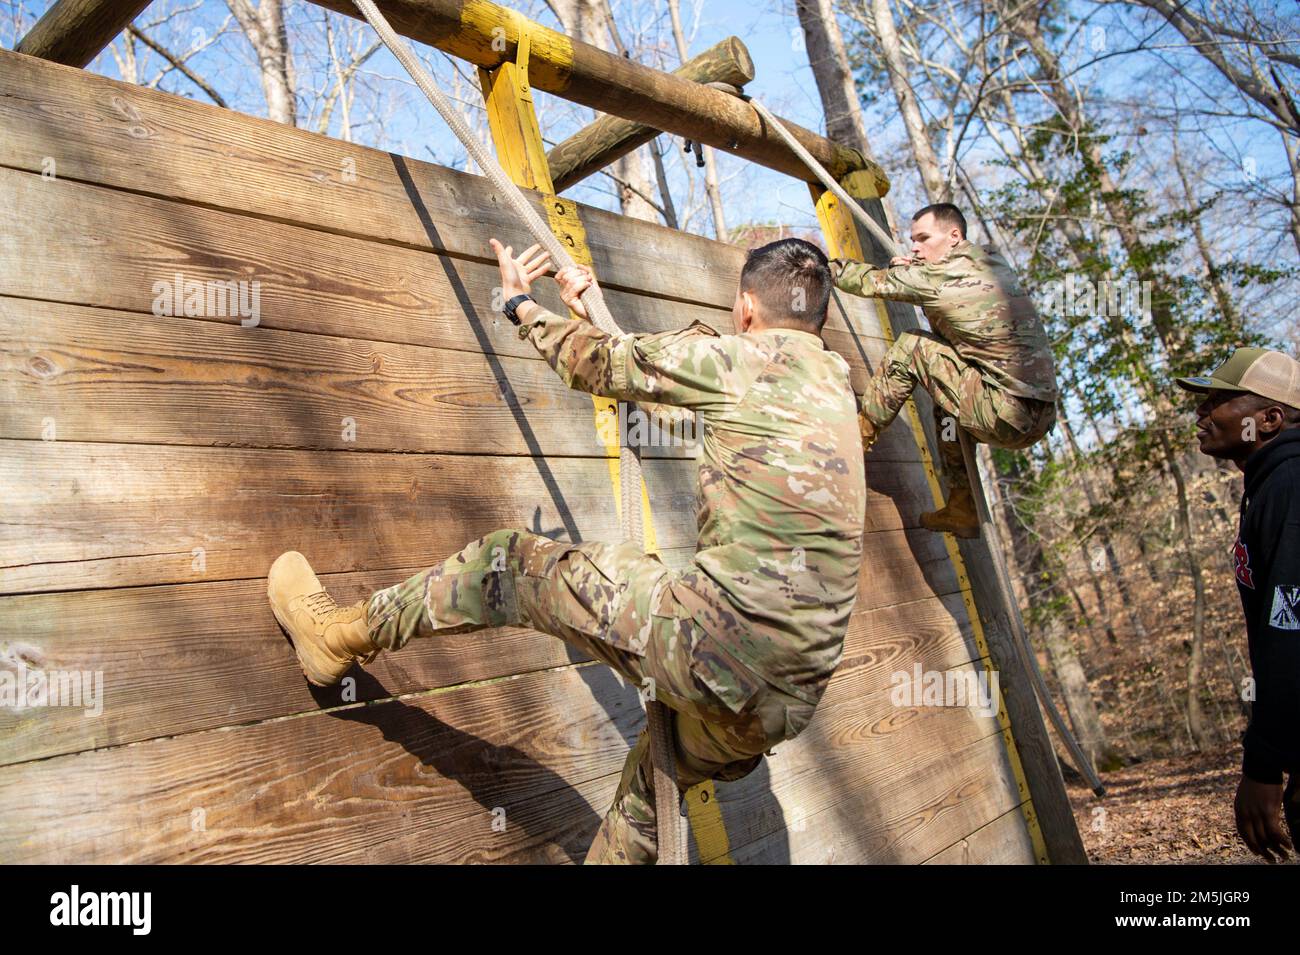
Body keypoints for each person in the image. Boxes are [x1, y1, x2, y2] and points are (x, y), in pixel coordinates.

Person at [266, 237, 866, 864]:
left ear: (744, 308)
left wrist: (520, 304)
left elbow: (597, 366)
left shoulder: (744, 362)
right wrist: (595, 312)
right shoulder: (836, 386)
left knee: (511, 564)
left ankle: (334, 638)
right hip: (784, 706)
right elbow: (697, 411)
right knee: (647, 799)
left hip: (712, 654)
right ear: (819, 317)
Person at [829, 202, 1058, 538]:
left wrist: (823, 267)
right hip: (1033, 417)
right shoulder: (991, 262)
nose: (915, 247)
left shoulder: (939, 277)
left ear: (954, 236)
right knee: (947, 408)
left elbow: (869, 283)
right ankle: (962, 506)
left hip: (1000, 411)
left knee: (912, 346)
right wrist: (915, 274)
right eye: (912, 240)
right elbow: (954, 312)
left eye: (923, 238)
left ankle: (855, 438)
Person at [1179, 347, 1300, 863]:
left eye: (1216, 403)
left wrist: (1264, 765)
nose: (1200, 415)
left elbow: (1291, 634)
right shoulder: (1271, 482)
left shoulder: (1291, 485)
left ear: (1269, 418)